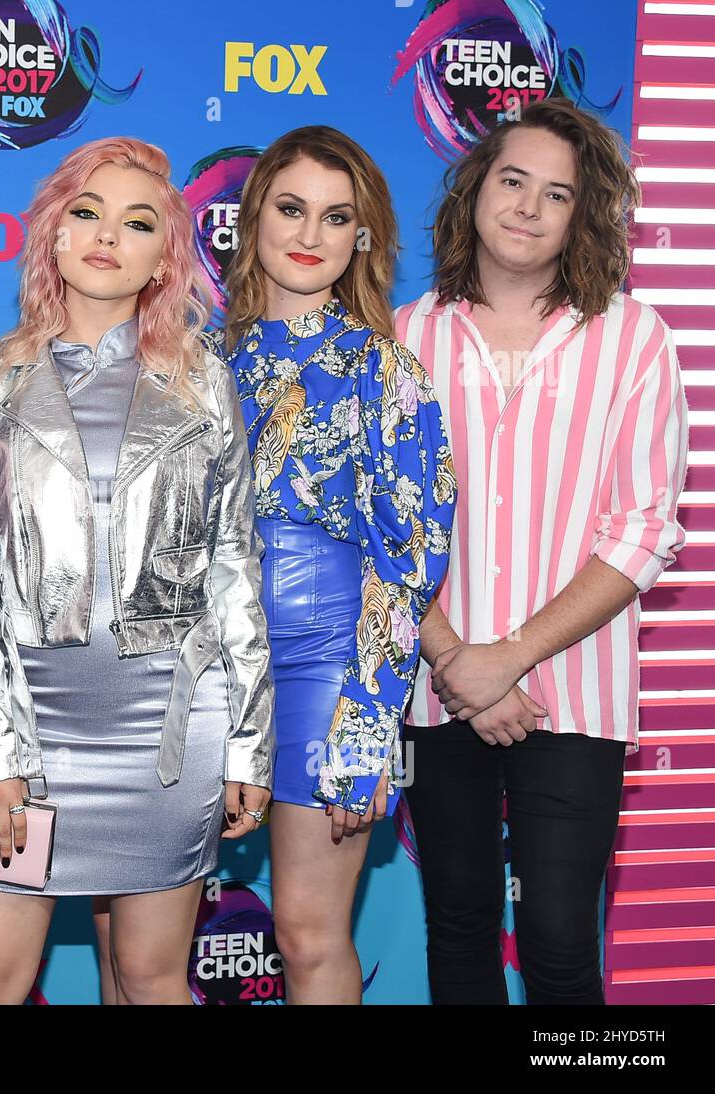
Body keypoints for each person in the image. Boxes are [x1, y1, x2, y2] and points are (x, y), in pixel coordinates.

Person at [0, 136, 274, 1006]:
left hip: (166, 736)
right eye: (87, 213)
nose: (106, 236)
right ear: (50, 233)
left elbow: (234, 566)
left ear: (166, 256)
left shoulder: (204, 383)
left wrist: (247, 740)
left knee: (148, 979)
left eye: (137, 223)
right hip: (31, 728)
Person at [396, 98, 689, 1005]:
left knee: (562, 947)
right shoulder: (405, 336)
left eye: (555, 193)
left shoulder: (634, 337)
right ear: (476, 190)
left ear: (582, 214)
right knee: (458, 928)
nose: (526, 206)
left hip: (577, 695)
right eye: (511, 180)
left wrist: (507, 658)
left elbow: (645, 526)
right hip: (435, 687)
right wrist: (456, 661)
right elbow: (387, 521)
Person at [212, 126, 455, 1004]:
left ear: (363, 236)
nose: (310, 232)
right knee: (137, 931)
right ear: (253, 218)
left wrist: (365, 726)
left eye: (336, 214)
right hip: (200, 671)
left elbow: (409, 561)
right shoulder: (199, 363)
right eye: (290, 207)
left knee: (308, 935)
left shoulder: (383, 369)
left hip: (325, 666)